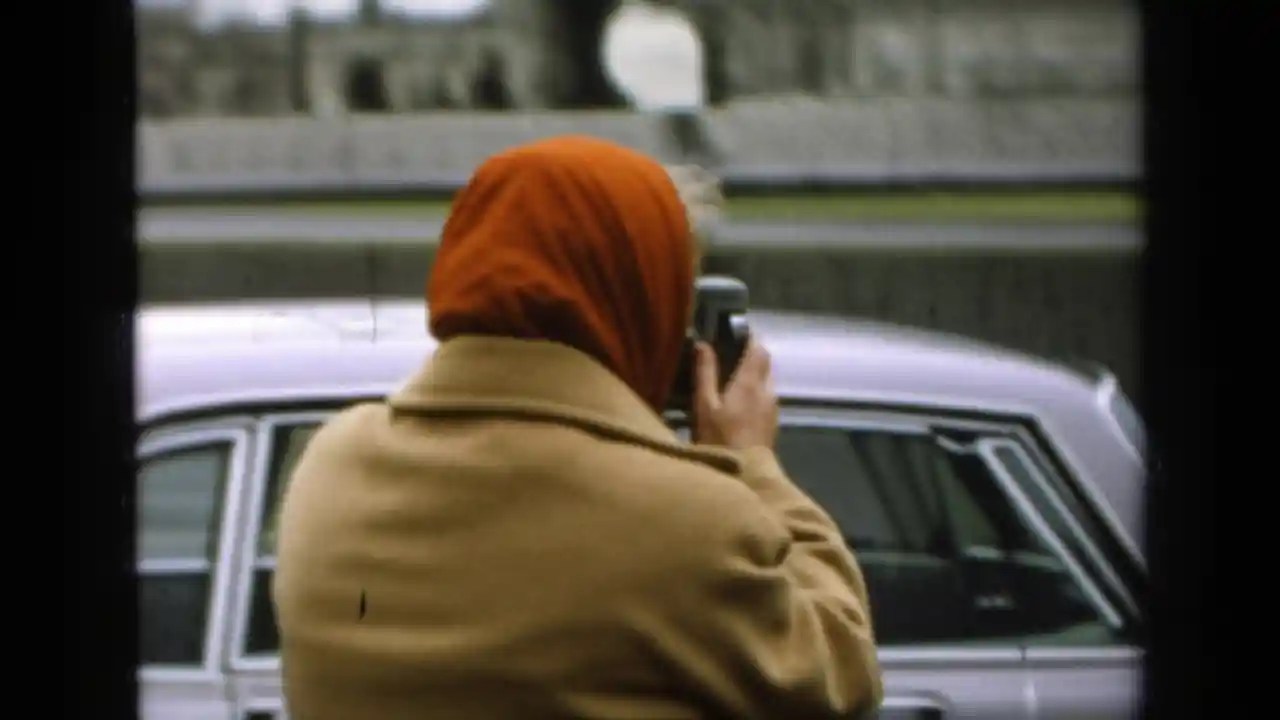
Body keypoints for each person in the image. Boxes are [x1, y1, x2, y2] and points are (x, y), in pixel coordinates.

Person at [271, 136, 884, 719]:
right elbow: (841, 675)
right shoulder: (688, 520)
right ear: (634, 304)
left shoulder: (329, 462)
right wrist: (754, 466)